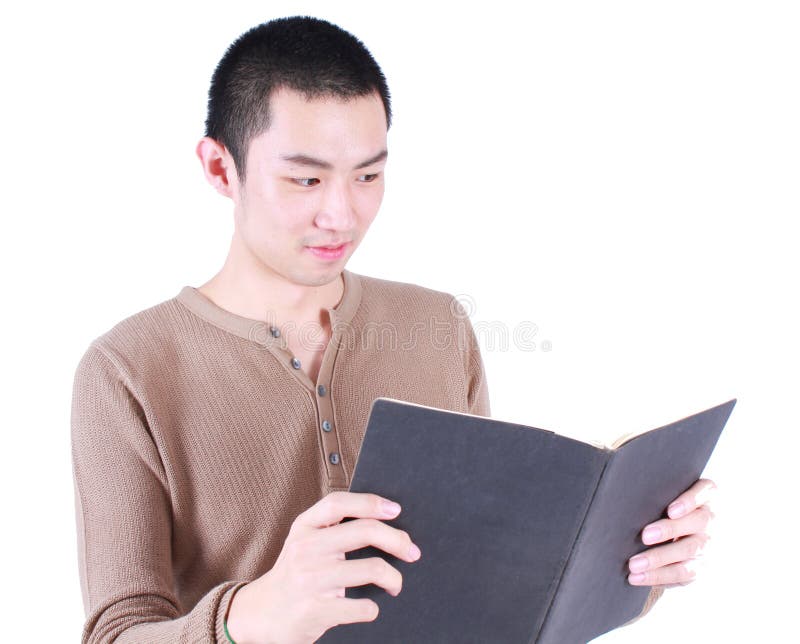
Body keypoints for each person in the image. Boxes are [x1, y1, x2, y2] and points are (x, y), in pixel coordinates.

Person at [70, 16, 717, 643]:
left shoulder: (437, 323)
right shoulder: (126, 369)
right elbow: (118, 631)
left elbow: (486, 572)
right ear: (220, 168)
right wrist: (256, 615)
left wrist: (628, 563)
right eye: (305, 178)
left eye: (369, 175)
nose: (341, 212)